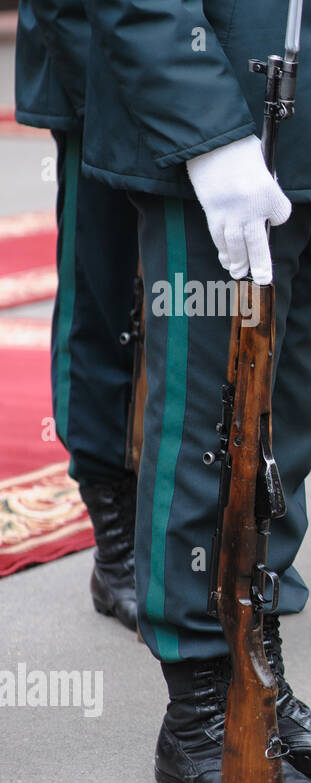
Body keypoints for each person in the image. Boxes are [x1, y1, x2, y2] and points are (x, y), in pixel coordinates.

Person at [81, 0, 311, 783]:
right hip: (221, 126)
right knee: (207, 432)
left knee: (286, 439)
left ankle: (259, 679)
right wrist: (208, 135)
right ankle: (200, 715)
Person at [15, 0, 140, 631]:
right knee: (102, 299)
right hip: (98, 74)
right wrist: (115, 106)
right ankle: (116, 545)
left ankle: (176, 533)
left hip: (196, 86)